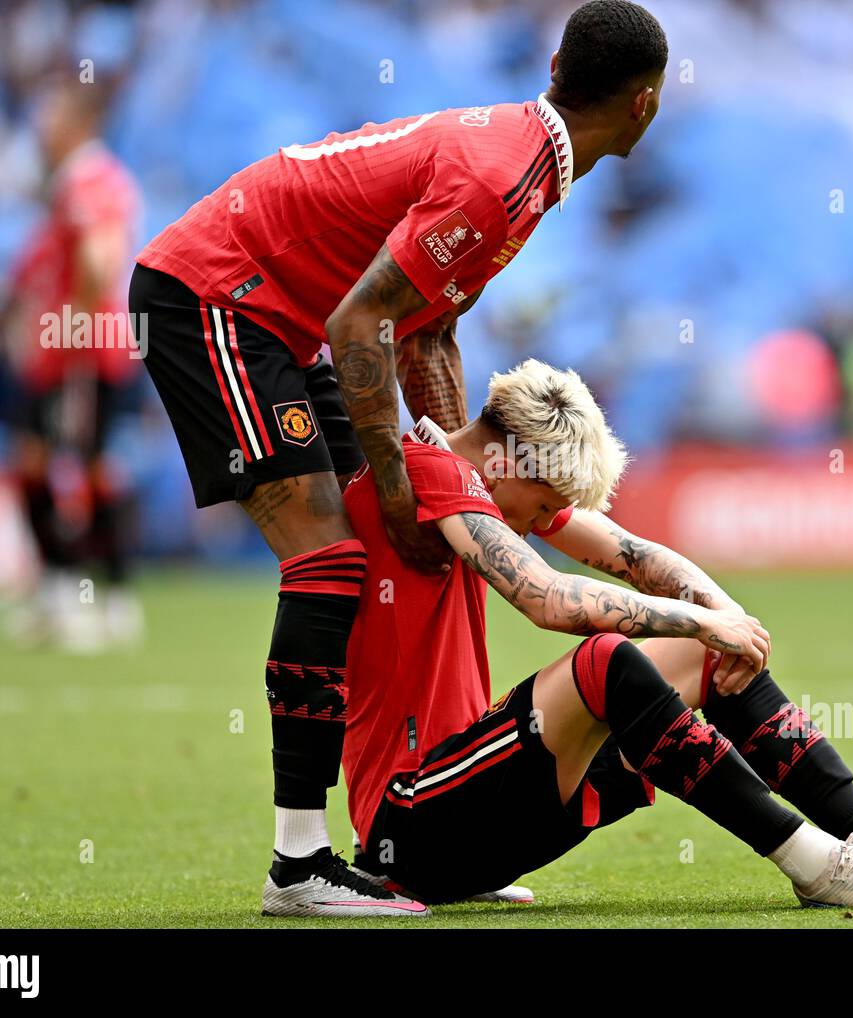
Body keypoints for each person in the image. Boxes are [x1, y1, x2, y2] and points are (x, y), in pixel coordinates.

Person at [128, 1, 672, 915]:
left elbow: (425, 334)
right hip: (218, 296)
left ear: (554, 65)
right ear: (646, 105)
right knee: (333, 556)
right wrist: (401, 477)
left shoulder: (521, 162)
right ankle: (298, 866)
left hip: (288, 323)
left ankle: (423, 825)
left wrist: (454, 482)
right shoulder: (501, 180)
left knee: (421, 543)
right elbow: (359, 324)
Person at [343, 360, 853, 910]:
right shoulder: (429, 472)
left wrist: (720, 613)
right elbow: (546, 597)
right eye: (545, 506)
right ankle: (815, 864)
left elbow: (630, 553)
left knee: (700, 649)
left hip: (479, 813)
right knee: (606, 663)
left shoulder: (487, 481)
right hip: (410, 824)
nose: (541, 522)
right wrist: (702, 618)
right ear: (508, 461)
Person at [6, 78, 144, 652]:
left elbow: (99, 258)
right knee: (50, 461)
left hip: (82, 351)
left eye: (51, 115)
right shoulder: (71, 184)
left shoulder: (90, 179)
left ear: (78, 123)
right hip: (64, 352)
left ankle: (101, 599)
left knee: (83, 466)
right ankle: (67, 589)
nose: (41, 129)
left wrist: (79, 330)